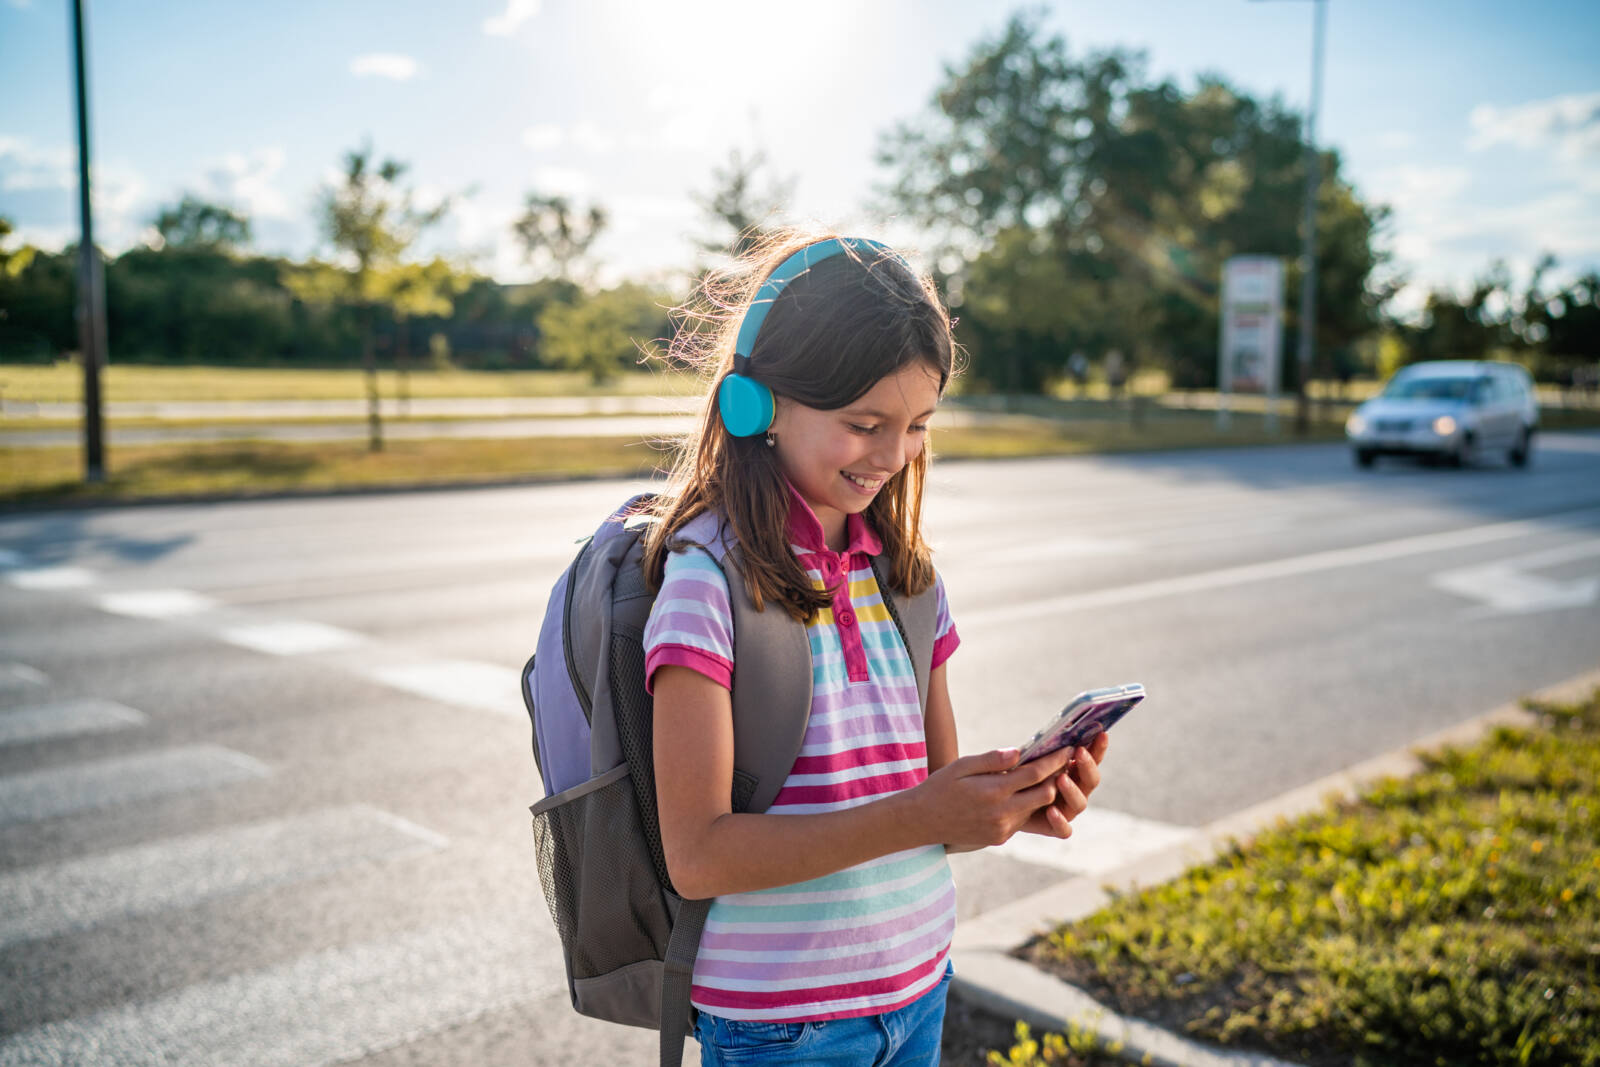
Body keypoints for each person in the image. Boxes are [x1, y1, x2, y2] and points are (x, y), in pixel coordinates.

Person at [640, 230, 1110, 1066]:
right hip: (783, 1025)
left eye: (919, 426)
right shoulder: (706, 581)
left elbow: (929, 813)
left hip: (918, 986)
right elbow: (699, 854)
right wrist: (918, 814)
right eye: (864, 425)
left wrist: (1009, 802)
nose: (894, 456)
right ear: (760, 403)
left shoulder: (907, 576)